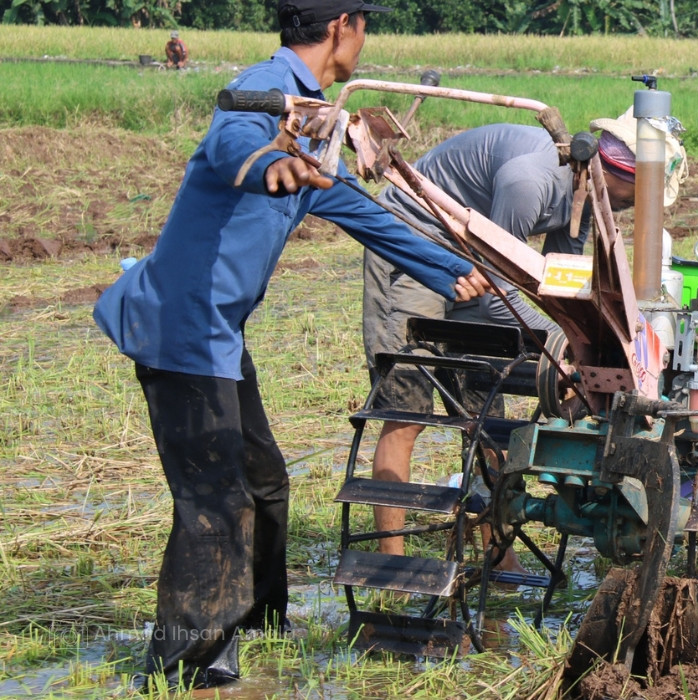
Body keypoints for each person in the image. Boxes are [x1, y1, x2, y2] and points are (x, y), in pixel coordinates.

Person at [92, 0, 493, 690]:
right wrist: (263, 165)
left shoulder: (315, 128)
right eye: (366, 29)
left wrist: (457, 270)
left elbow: (366, 215)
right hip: (180, 331)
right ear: (344, 25)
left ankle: (256, 621)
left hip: (219, 334)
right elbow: (229, 144)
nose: (366, 43)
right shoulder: (266, 93)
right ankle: (185, 662)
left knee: (266, 481)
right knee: (216, 502)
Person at [363, 113, 686, 559]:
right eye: (635, 199)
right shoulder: (529, 182)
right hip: (414, 243)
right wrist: (563, 346)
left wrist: (587, 349)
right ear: (617, 173)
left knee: (486, 418)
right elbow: (498, 298)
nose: (632, 211)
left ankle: (497, 554)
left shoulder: (587, 195)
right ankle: (388, 563)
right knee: (407, 409)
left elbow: (558, 288)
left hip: (472, 261)